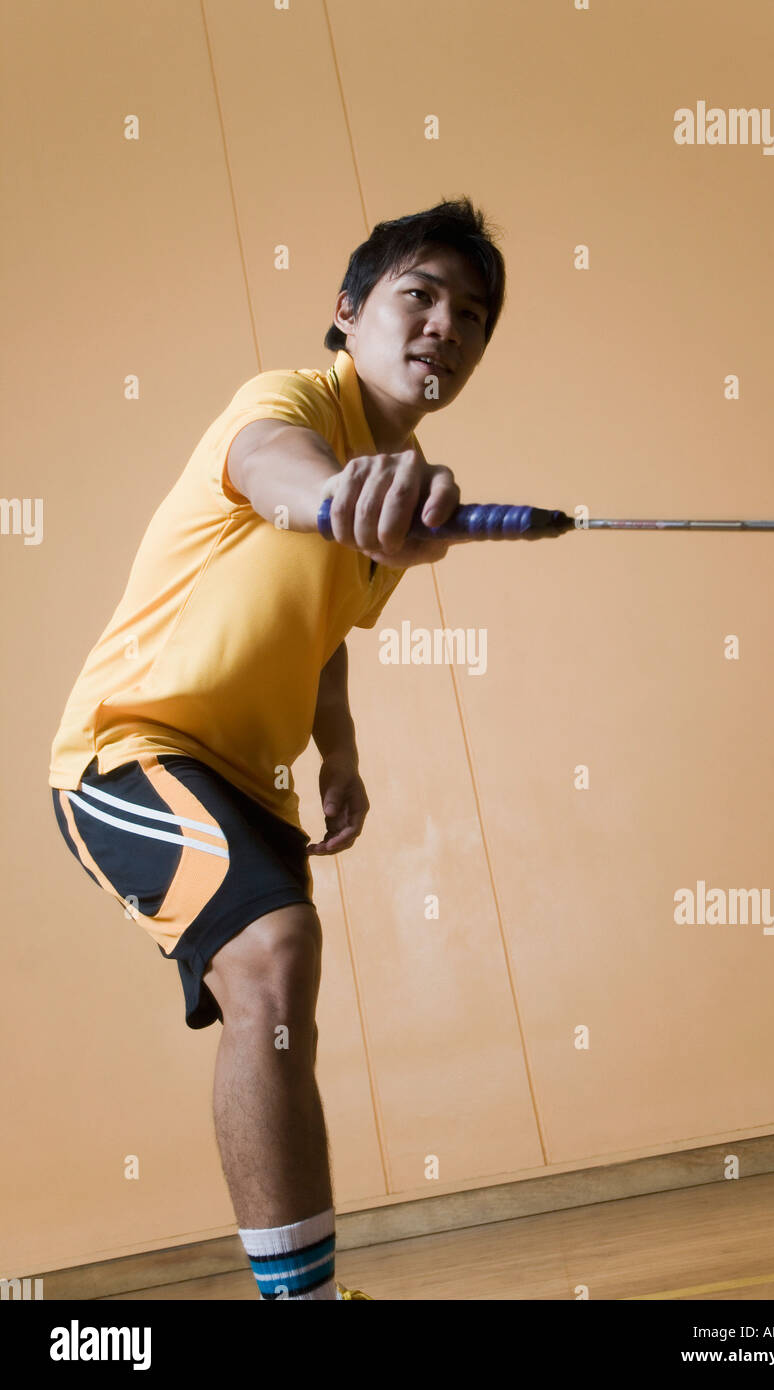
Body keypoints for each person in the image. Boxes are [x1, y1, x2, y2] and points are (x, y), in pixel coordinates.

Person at [48, 196, 506, 1300]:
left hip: (251, 782)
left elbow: (328, 631)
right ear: (347, 313)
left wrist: (338, 754)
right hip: (126, 750)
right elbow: (274, 472)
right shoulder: (291, 402)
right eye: (420, 294)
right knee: (271, 957)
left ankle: (305, 1289)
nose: (446, 324)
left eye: (473, 314)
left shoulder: (400, 497)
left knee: (280, 1001)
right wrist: (346, 496)